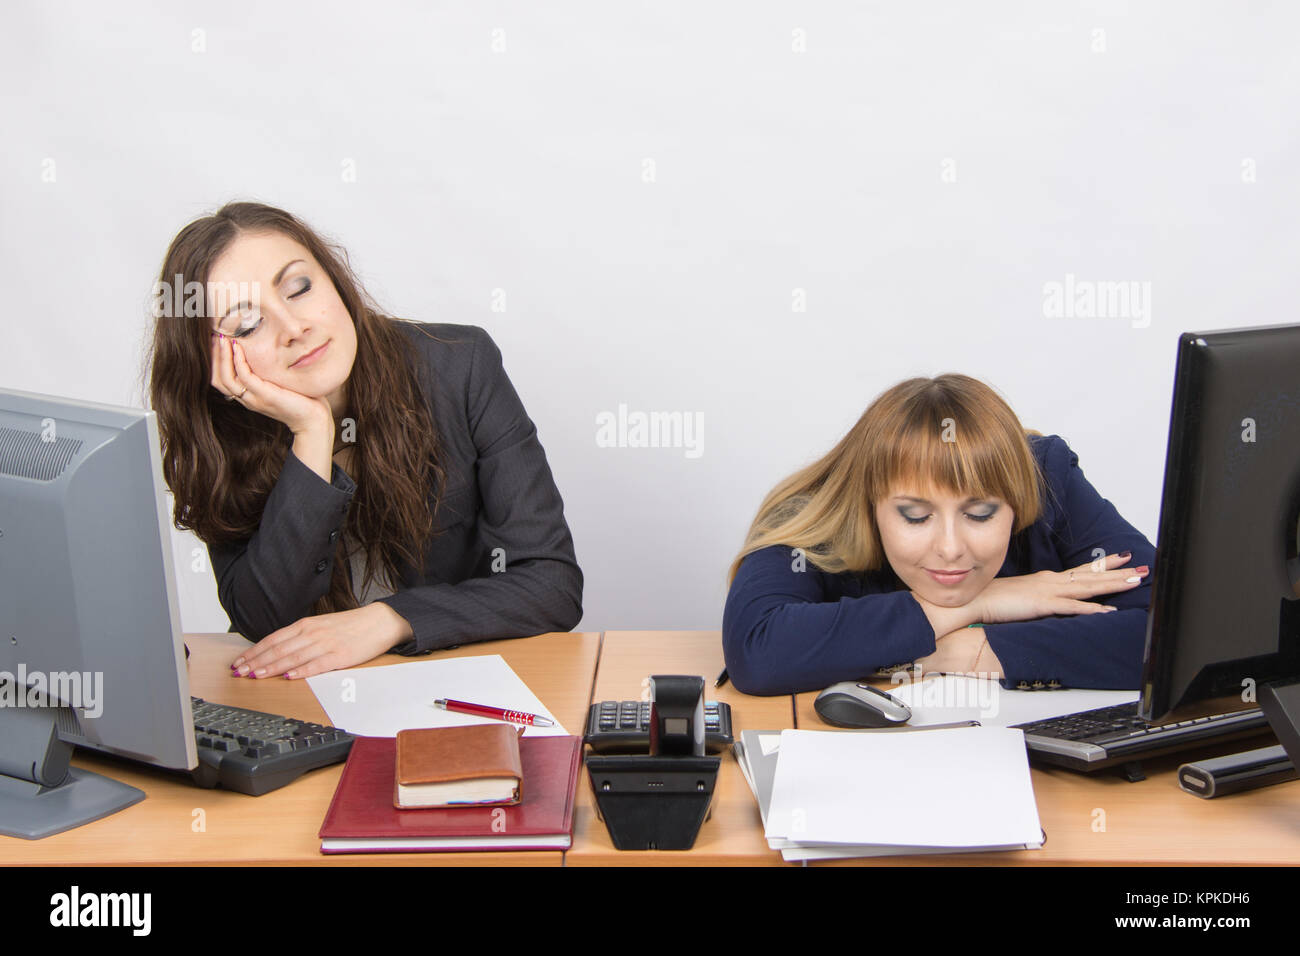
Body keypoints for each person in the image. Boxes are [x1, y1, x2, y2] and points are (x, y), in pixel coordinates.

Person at [147, 201, 582, 680]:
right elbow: (264, 621)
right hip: (307, 708)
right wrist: (310, 434)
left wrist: (390, 619)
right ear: (212, 362)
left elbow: (551, 583)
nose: (295, 329)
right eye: (247, 325)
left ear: (333, 279)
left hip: (455, 685)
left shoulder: (460, 367)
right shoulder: (219, 436)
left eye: (299, 288)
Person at [722, 374, 1154, 695]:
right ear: (870, 503)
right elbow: (758, 651)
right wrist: (986, 600)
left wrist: (955, 651)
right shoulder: (813, 514)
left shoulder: (1046, 477)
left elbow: (1172, 636)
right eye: (914, 516)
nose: (950, 549)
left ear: (1017, 501)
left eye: (980, 513)